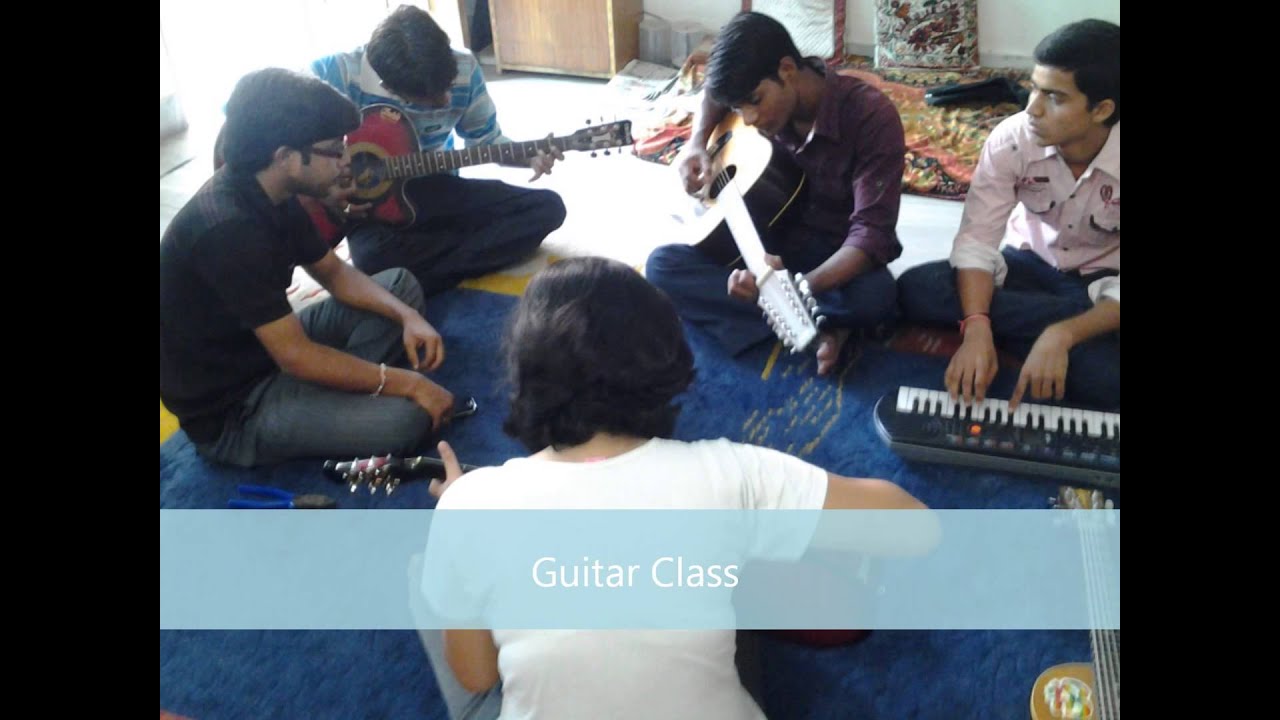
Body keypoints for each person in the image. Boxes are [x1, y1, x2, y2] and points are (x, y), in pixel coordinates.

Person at [418, 257, 928, 719]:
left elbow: (478, 677)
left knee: (426, 568)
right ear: (666, 361)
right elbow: (915, 530)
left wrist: (463, 514)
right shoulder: (730, 475)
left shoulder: (471, 502)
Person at [160, 68, 455, 467]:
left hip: (268, 350)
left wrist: (405, 317)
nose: (346, 162)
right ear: (285, 158)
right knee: (409, 419)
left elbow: (334, 273)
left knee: (401, 288)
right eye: (335, 150)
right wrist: (408, 383)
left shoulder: (272, 190)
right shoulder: (229, 231)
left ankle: (335, 390)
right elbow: (295, 357)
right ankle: (336, 393)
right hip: (235, 409)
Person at [646, 11, 906, 376]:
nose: (748, 118)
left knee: (878, 296)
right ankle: (819, 326)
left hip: (832, 256)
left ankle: (781, 318)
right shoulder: (755, 101)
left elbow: (871, 235)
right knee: (661, 267)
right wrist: (696, 143)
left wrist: (796, 289)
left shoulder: (870, 116)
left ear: (786, 69)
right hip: (766, 240)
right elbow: (714, 94)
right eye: (739, 108)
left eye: (755, 100)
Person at [897, 19, 1120, 410]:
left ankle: (1051, 334)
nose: (1031, 108)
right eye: (1033, 87)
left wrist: (1063, 335)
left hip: (1106, 280)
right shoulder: (1013, 138)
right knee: (918, 287)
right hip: (1027, 267)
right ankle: (1070, 331)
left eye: (1054, 97)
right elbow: (977, 241)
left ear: (1101, 109)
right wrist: (977, 327)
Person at [311, 4, 567, 295]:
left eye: (447, 86)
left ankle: (421, 273)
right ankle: (444, 258)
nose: (446, 101)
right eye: (429, 99)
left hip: (434, 187)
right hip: (368, 206)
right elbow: (291, 156)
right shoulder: (330, 74)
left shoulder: (465, 67)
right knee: (372, 258)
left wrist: (529, 156)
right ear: (389, 87)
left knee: (547, 208)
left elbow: (485, 140)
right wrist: (329, 195)